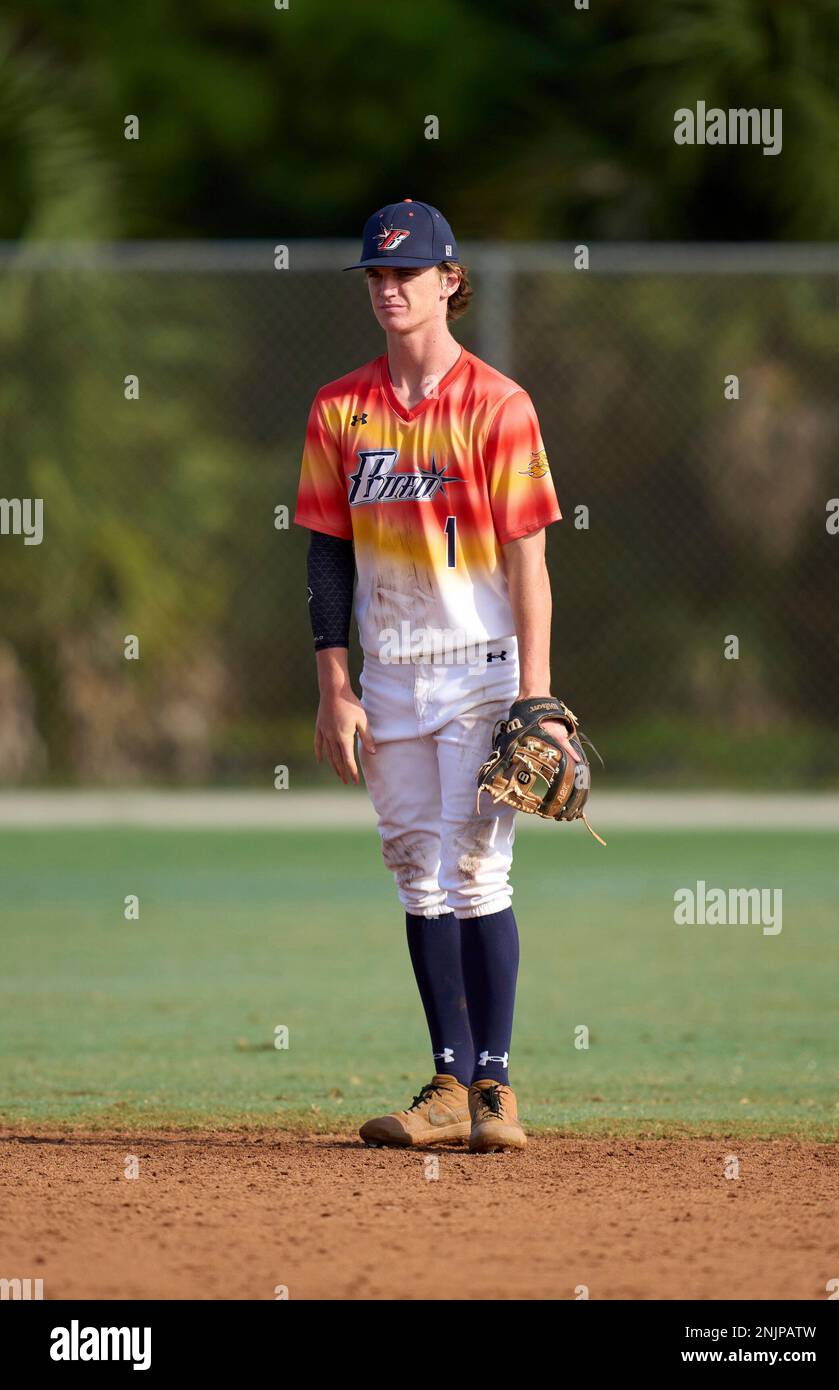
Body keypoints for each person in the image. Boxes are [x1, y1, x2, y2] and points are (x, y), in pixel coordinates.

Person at [294, 199, 574, 1153]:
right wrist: (336, 683)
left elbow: (529, 564)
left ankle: (494, 1087)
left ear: (450, 281)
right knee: (419, 877)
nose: (388, 289)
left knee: (475, 870)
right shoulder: (341, 407)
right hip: (392, 681)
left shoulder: (498, 404)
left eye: (407, 274)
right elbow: (327, 553)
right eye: (376, 274)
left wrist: (539, 700)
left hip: (482, 673)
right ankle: (448, 1083)